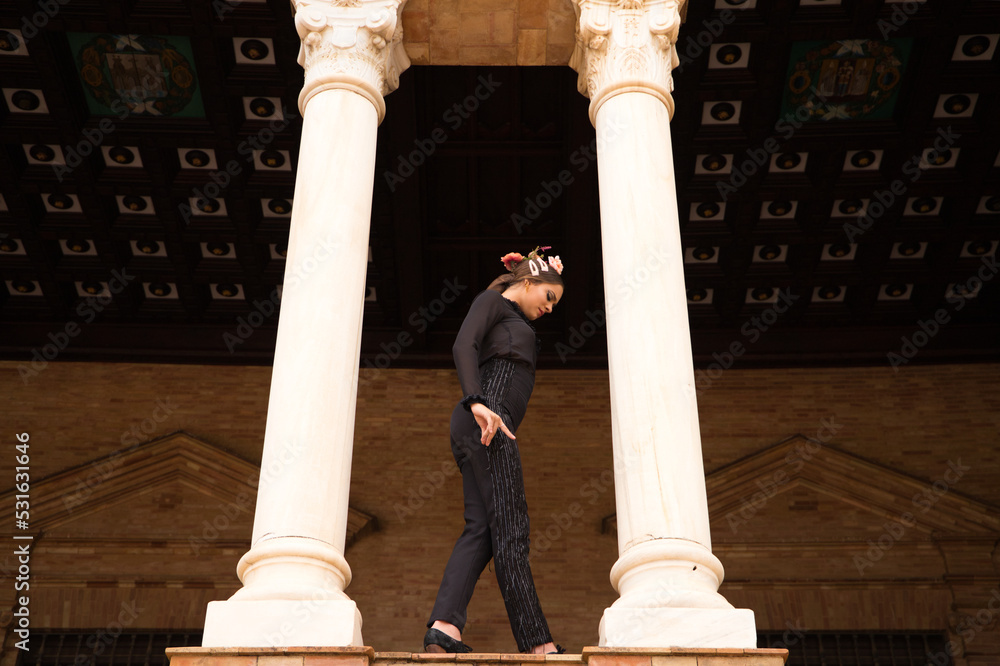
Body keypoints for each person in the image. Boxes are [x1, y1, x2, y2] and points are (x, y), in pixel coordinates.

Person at [423, 246, 565, 655]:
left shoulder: (514, 319)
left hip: (486, 423)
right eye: (549, 297)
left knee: (483, 528)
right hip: (488, 422)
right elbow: (463, 346)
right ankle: (539, 645)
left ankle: (444, 627)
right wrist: (477, 402)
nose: (550, 309)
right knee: (513, 530)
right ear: (529, 282)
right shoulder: (492, 302)